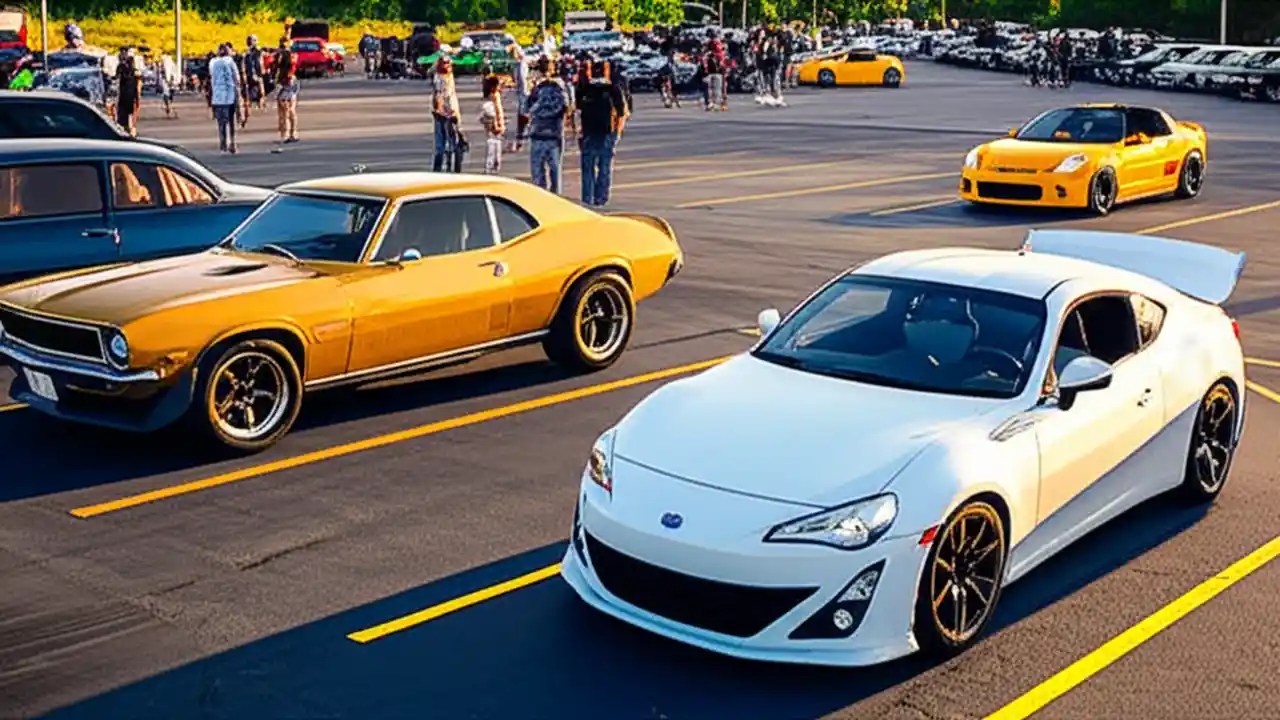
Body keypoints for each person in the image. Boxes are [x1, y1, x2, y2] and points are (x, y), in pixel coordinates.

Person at [576, 57, 628, 207]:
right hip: (596, 133)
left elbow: (622, 111)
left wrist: (617, 132)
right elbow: (621, 112)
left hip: (598, 133)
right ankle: (594, 198)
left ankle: (594, 198)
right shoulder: (591, 89)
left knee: (596, 168)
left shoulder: (605, 88)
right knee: (596, 168)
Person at [523, 55, 570, 193]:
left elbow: (526, 108)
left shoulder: (535, 86)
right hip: (554, 133)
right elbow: (567, 106)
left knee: (538, 175)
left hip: (537, 133)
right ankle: (555, 200)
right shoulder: (560, 85)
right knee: (555, 172)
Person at [431, 55, 464, 172]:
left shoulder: (450, 77)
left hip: (452, 113)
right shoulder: (439, 78)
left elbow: (451, 97)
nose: (448, 66)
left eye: (449, 63)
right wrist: (441, 111)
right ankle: (437, 170)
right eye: (445, 63)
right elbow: (438, 96)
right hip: (442, 114)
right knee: (441, 145)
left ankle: (452, 168)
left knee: (453, 143)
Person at [209, 43, 241, 153]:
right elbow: (237, 78)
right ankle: (232, 142)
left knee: (221, 122)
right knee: (231, 121)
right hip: (229, 95)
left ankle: (223, 144)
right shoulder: (230, 62)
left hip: (217, 97)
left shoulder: (213, 63)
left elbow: (212, 78)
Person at [273, 36, 300, 147]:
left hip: (286, 82)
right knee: (289, 110)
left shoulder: (285, 55)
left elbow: (278, 65)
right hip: (290, 81)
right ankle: (292, 133)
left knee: (284, 110)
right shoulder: (291, 54)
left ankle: (286, 134)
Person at [478, 74, 505, 174]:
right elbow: (494, 112)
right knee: (493, 145)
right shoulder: (493, 97)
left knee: (496, 144)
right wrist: (497, 125)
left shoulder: (493, 96)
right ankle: (491, 166)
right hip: (493, 124)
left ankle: (494, 165)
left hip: (494, 123)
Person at [115, 47, 142, 136]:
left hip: (126, 95)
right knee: (129, 114)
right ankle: (130, 130)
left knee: (125, 114)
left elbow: (117, 78)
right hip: (129, 95)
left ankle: (128, 130)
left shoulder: (122, 67)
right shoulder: (134, 72)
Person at [508, 43, 529, 152]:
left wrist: (524, 94)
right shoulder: (518, 64)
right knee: (522, 116)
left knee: (523, 115)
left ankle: (520, 137)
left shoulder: (521, 65)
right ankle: (520, 136)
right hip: (521, 93)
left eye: (513, 53)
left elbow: (523, 81)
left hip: (523, 94)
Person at [241, 34, 265, 124]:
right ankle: (247, 114)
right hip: (251, 77)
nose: (252, 43)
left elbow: (261, 65)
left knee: (259, 92)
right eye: (252, 40)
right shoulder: (247, 54)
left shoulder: (257, 52)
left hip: (256, 76)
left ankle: (260, 102)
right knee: (247, 98)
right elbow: (244, 66)